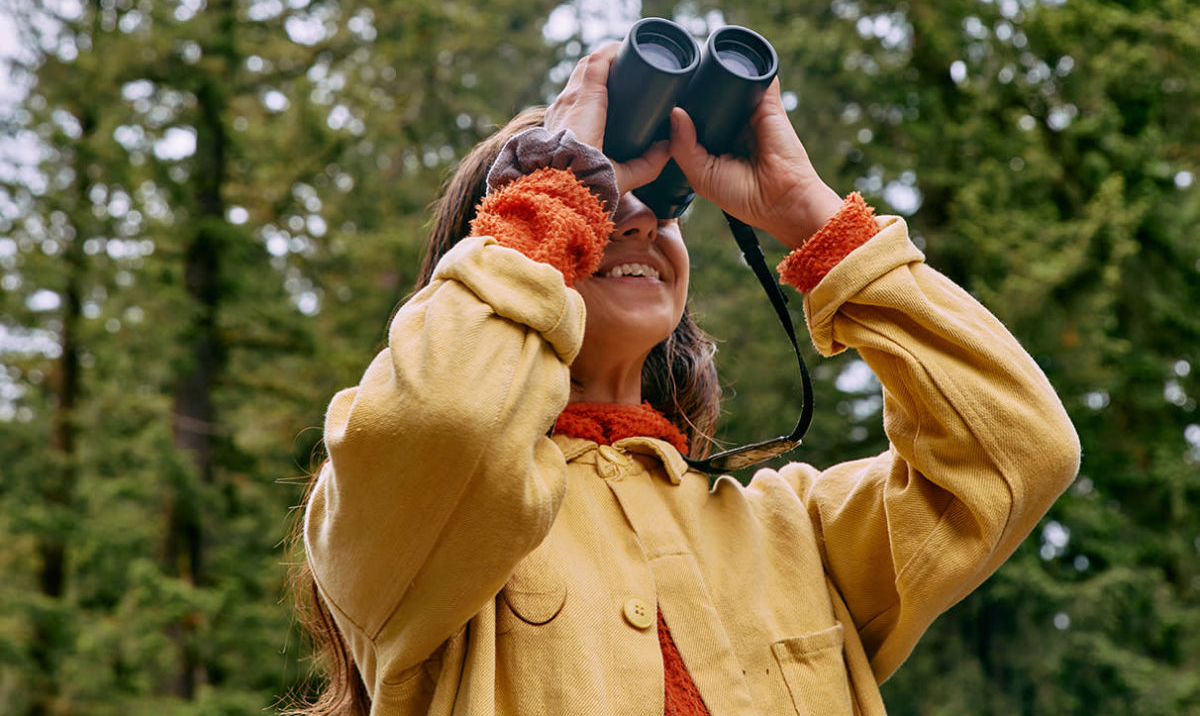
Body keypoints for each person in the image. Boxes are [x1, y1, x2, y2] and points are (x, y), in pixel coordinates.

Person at [289, 43, 1080, 716]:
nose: (638, 220)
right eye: (596, 204)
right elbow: (445, 423)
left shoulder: (798, 534)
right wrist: (548, 204)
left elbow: (1019, 450)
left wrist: (814, 219)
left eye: (665, 209)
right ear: (499, 243)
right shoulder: (410, 517)